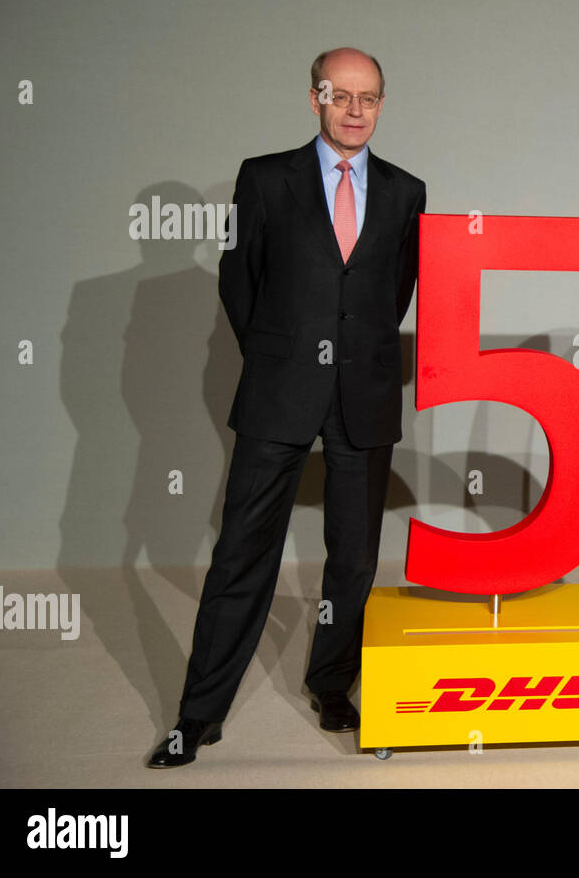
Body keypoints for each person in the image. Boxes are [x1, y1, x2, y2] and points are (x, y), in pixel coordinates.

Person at [148, 47, 426, 767]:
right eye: (342, 96)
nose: (355, 110)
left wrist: (349, 354)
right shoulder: (265, 178)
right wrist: (285, 356)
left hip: (362, 396)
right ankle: (199, 714)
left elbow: (393, 291)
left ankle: (333, 687)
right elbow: (241, 282)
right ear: (315, 99)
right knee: (243, 553)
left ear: (381, 105)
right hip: (280, 392)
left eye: (369, 98)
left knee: (354, 558)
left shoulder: (406, 191)